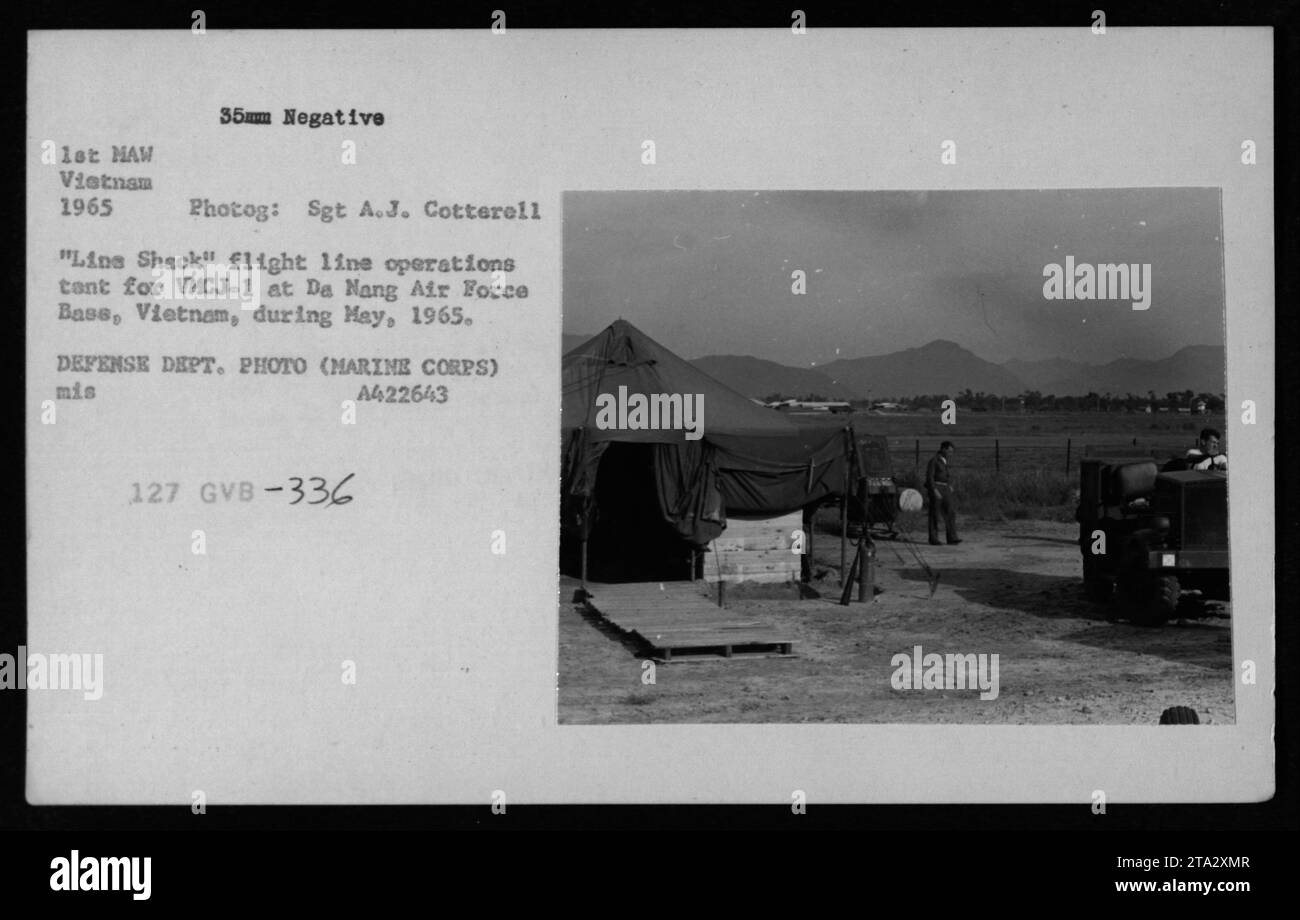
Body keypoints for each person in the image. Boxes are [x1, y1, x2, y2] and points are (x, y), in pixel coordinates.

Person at [925, 441, 961, 545]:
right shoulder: (934, 461)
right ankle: (933, 538)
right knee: (935, 514)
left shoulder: (945, 461)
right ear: (943, 449)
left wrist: (950, 485)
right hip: (937, 488)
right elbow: (929, 477)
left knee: (950, 512)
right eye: (949, 451)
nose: (950, 453)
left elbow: (946, 475)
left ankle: (952, 537)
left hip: (946, 489)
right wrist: (934, 490)